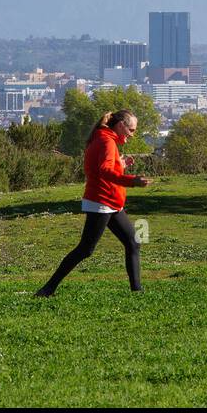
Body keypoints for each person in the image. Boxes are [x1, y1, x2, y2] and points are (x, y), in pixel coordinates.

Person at [35, 109, 153, 297]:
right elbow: (104, 171)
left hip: (110, 201)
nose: (132, 134)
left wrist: (120, 165)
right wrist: (132, 180)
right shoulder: (107, 141)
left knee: (133, 241)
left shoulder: (104, 138)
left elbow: (101, 168)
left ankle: (137, 291)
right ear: (121, 126)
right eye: (131, 130)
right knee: (85, 249)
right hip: (102, 201)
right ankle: (48, 288)